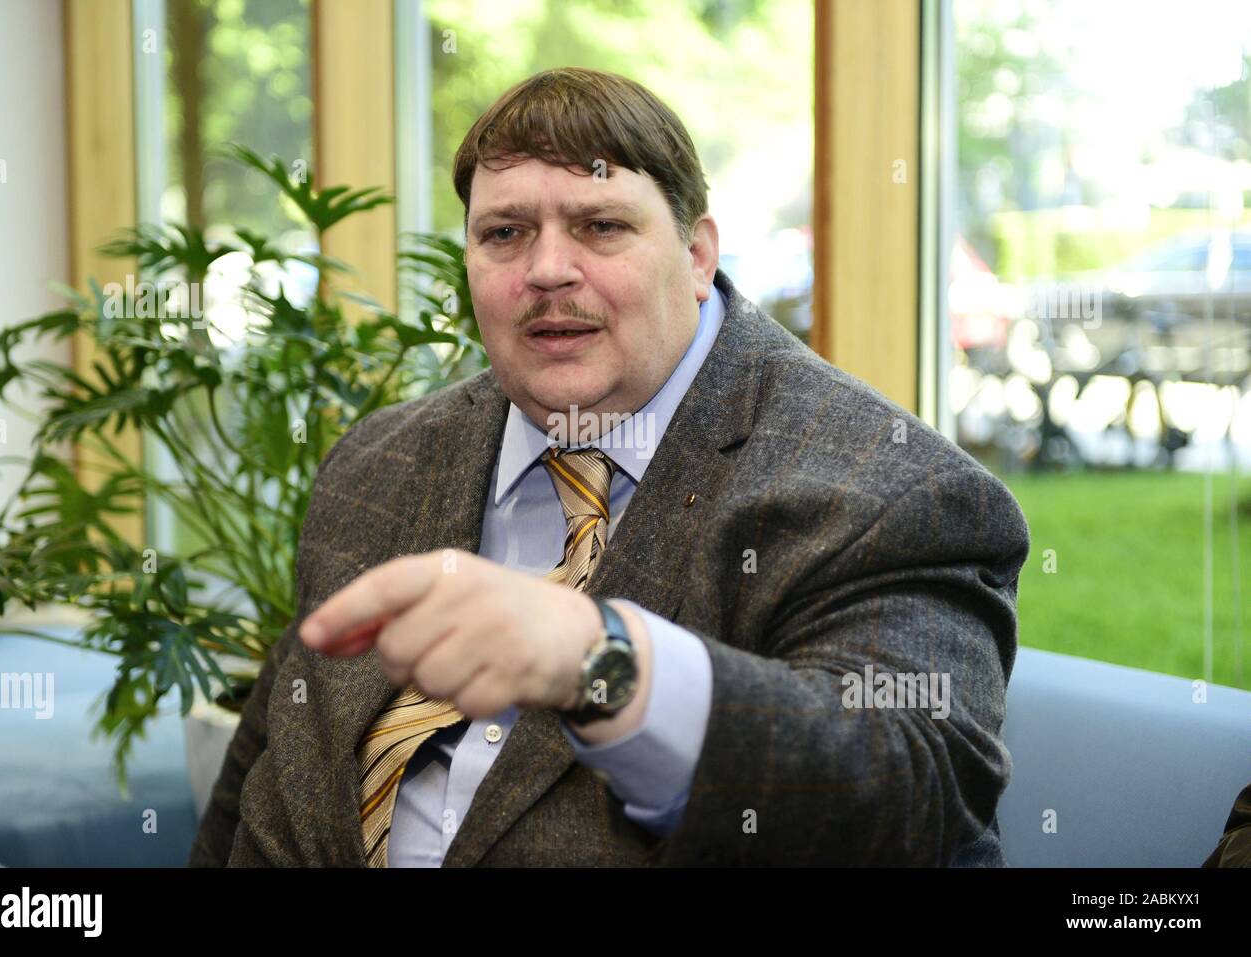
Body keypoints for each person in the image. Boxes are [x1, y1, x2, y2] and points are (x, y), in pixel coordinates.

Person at [188, 67, 1030, 868]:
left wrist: (599, 659)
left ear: (698, 256)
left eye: (600, 225)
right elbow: (266, 770)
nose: (547, 270)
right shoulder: (378, 462)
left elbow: (908, 787)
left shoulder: (888, 488)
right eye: (504, 234)